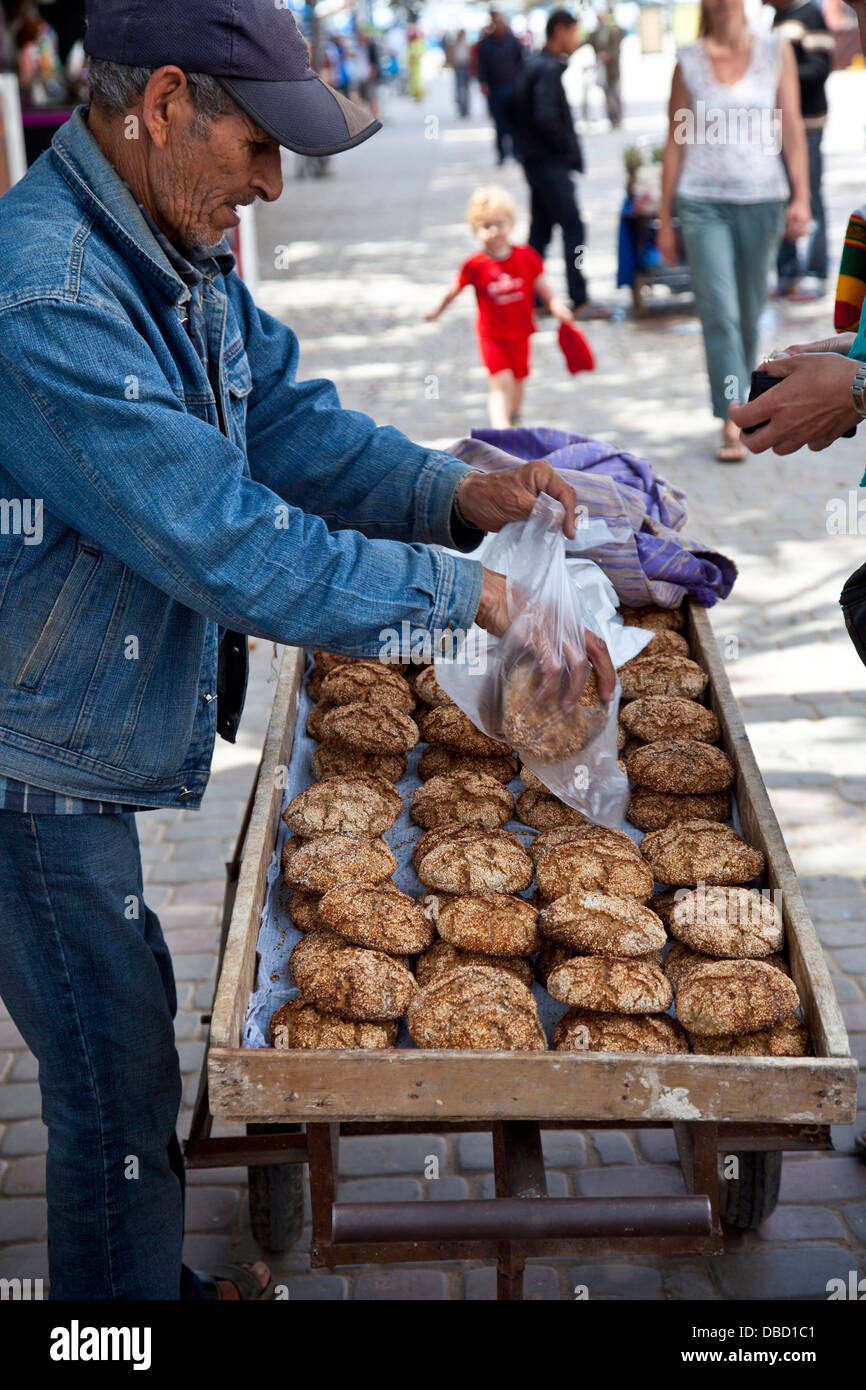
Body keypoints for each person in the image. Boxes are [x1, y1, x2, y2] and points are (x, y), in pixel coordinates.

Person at [0, 0, 615, 1301]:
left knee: (123, 1066)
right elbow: (233, 546)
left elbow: (283, 422)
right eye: (259, 145)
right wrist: (474, 600)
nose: (273, 183)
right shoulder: (49, 299)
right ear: (163, 104)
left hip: (80, 724)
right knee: (114, 1084)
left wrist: (453, 495)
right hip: (30, 758)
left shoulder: (171, 240)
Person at [657, 0, 810, 462]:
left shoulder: (775, 49)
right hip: (702, 202)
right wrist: (665, 218)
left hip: (763, 198)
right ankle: (733, 414)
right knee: (719, 312)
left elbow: (793, 128)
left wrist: (802, 196)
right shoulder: (687, 60)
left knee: (748, 311)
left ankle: (744, 398)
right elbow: (673, 141)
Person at [425, 185, 574, 427]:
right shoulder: (475, 265)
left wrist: (557, 306)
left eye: (499, 223)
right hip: (492, 336)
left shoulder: (526, 256)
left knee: (518, 380)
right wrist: (438, 311)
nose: (494, 231)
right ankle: (500, 430)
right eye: (486, 226)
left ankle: (513, 416)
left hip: (522, 333)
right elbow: (454, 290)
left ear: (511, 224)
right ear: (476, 231)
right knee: (501, 381)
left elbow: (542, 285)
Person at [511, 9, 608, 320]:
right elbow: (544, 117)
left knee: (540, 232)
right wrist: (565, 150)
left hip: (536, 161)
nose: (578, 40)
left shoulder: (537, 65)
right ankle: (578, 297)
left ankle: (531, 297)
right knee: (573, 227)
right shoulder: (547, 69)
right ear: (560, 32)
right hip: (548, 163)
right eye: (574, 32)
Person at [765, 0, 833, 300]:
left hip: (806, 124)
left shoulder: (810, 16)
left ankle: (814, 274)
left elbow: (820, 68)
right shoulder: (778, 19)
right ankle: (788, 273)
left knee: (811, 199)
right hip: (779, 127)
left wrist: (781, 77)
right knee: (782, 199)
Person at [477, 8, 523, 164]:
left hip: (512, 86)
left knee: (515, 122)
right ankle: (502, 154)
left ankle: (517, 152)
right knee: (499, 123)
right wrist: (483, 83)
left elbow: (521, 62)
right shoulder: (486, 44)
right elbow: (481, 65)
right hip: (495, 88)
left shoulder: (512, 41)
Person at [587, 7, 624, 129]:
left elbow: (616, 49)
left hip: (613, 69)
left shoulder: (614, 31)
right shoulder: (595, 33)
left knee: (615, 94)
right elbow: (586, 41)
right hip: (602, 70)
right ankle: (612, 119)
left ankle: (618, 118)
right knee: (608, 95)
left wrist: (607, 55)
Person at [453, 27, 471, 118]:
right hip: (459, 67)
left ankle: (466, 110)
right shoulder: (456, 44)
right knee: (460, 89)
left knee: (466, 90)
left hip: (466, 67)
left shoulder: (467, 44)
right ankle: (461, 109)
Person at [407, 25, 425, 102]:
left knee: (418, 80)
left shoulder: (418, 43)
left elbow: (420, 52)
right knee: (414, 80)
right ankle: (415, 94)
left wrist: (415, 56)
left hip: (417, 64)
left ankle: (419, 95)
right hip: (412, 64)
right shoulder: (411, 44)